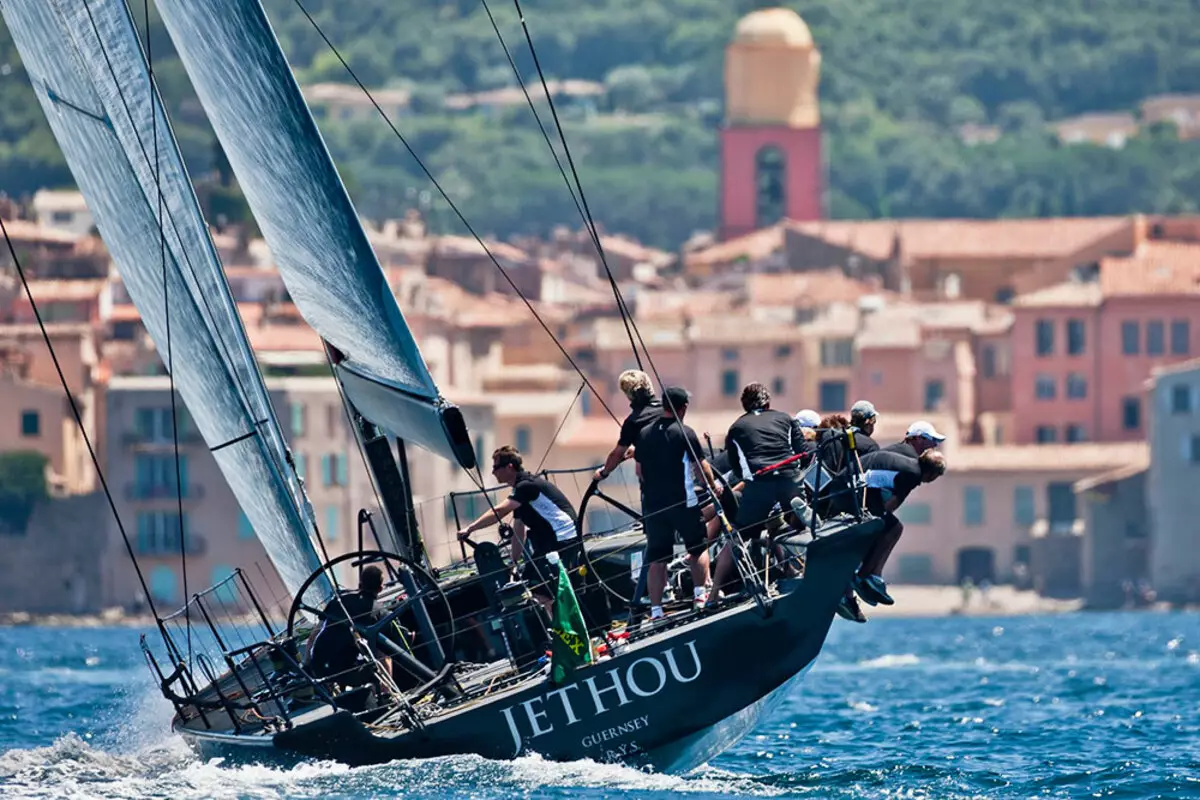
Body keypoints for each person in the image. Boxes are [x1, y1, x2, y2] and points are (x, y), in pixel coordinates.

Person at [712, 382, 810, 595]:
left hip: (759, 484)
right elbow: (804, 454)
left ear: (744, 405)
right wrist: (794, 475)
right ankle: (798, 517)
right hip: (789, 478)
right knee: (793, 517)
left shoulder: (736, 427)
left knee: (737, 536)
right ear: (768, 403)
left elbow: (738, 466)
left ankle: (713, 594)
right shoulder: (787, 418)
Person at [457, 446, 579, 614]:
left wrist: (470, 528)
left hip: (562, 539)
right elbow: (518, 530)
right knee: (533, 586)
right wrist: (514, 563)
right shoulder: (520, 492)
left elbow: (499, 511)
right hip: (551, 541)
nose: (493, 472)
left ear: (510, 467)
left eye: (496, 467)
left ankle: (559, 632)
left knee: (540, 589)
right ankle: (555, 628)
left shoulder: (526, 486)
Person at [634, 386, 716, 618]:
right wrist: (712, 486)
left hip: (653, 505)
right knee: (698, 547)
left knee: (657, 558)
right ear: (683, 408)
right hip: (683, 502)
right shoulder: (685, 433)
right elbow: (701, 466)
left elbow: (639, 471)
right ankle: (700, 595)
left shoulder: (644, 433)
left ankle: (657, 610)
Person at [837, 448, 947, 622]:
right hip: (851, 491)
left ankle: (869, 574)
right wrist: (876, 524)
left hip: (851, 486)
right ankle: (863, 575)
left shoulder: (909, 464)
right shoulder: (913, 474)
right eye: (936, 476)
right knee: (894, 528)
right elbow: (892, 504)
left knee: (885, 526)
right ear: (932, 473)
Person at [308, 565, 390, 686]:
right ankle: (387, 692)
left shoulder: (338, 601)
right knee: (382, 652)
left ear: (360, 583)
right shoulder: (379, 611)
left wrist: (307, 667)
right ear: (380, 588)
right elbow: (384, 653)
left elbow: (312, 638)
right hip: (347, 672)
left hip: (319, 666)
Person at [593, 369, 661, 484]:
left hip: (653, 483)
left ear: (628, 395)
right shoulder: (669, 409)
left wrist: (603, 472)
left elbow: (618, 454)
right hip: (679, 477)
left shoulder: (632, 422)